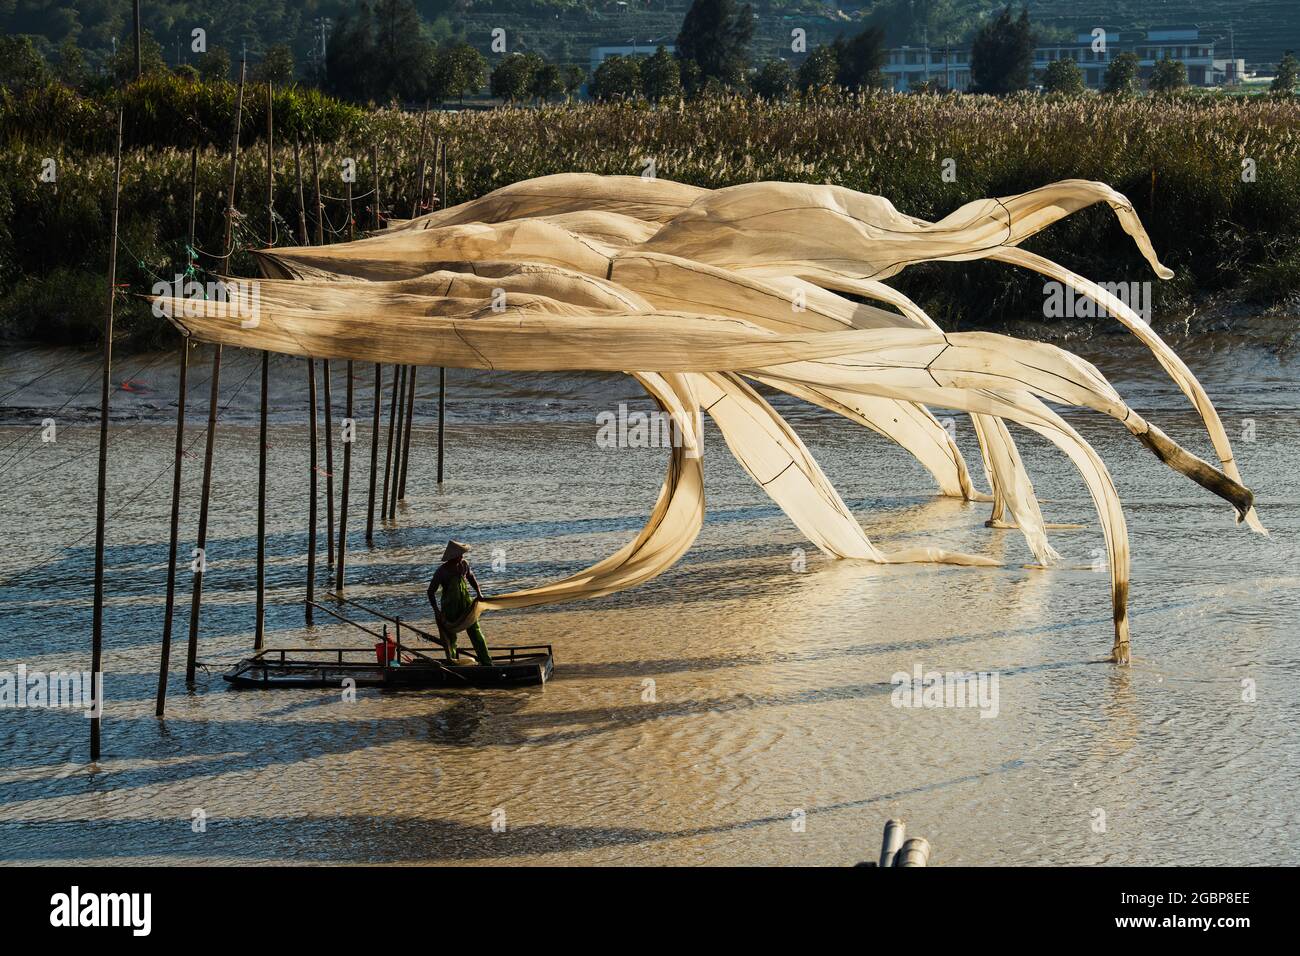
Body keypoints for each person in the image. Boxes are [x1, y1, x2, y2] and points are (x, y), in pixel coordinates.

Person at [427, 540, 492, 665]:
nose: (462, 557)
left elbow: (471, 578)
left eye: (462, 555)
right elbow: (430, 592)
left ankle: (486, 661)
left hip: (466, 604)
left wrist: (479, 593)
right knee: (451, 637)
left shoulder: (464, 565)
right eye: (459, 555)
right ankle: (452, 661)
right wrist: (437, 611)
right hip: (450, 607)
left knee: (475, 631)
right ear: (452, 557)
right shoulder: (442, 571)